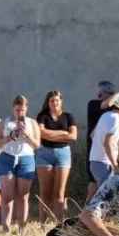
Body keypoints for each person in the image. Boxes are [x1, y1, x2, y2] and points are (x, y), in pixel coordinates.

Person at [0, 95, 41, 233]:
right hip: (7, 158)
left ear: (26, 109)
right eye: (17, 110)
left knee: (23, 195)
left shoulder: (32, 123)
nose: (20, 113)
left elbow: (37, 145)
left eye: (22, 110)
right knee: (7, 195)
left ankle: (22, 228)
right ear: (13, 109)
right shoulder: (4, 122)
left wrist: (26, 134)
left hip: (26, 158)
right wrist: (9, 137)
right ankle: (5, 228)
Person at [36, 91, 77, 222]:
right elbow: (41, 133)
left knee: (59, 193)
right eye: (52, 100)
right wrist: (63, 133)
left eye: (57, 100)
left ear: (61, 101)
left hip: (63, 154)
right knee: (45, 193)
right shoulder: (42, 116)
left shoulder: (68, 117)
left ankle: (59, 224)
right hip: (44, 153)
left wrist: (50, 134)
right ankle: (42, 223)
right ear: (48, 102)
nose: (54, 103)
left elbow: (73, 136)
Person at [88, 92, 119, 188]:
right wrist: (115, 165)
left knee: (103, 192)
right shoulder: (115, 119)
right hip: (104, 163)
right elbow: (108, 143)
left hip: (96, 162)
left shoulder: (106, 115)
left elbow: (93, 135)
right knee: (107, 194)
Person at [85, 80, 116, 200]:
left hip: (109, 153)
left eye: (101, 93)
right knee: (94, 184)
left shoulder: (114, 108)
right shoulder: (93, 104)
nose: (99, 96)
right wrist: (117, 96)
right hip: (95, 152)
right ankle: (89, 209)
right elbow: (104, 105)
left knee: (102, 186)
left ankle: (91, 208)